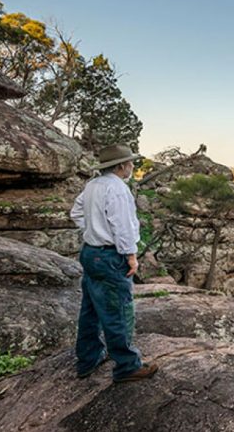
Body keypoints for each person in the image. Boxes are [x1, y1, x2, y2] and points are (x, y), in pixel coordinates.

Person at [70, 143, 158, 383]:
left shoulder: (92, 185)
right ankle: (127, 366)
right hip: (110, 256)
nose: (132, 165)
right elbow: (124, 226)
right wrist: (131, 255)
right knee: (118, 309)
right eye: (130, 162)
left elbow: (76, 213)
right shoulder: (118, 189)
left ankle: (88, 359)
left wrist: (94, 231)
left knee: (90, 308)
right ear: (121, 166)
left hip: (90, 252)